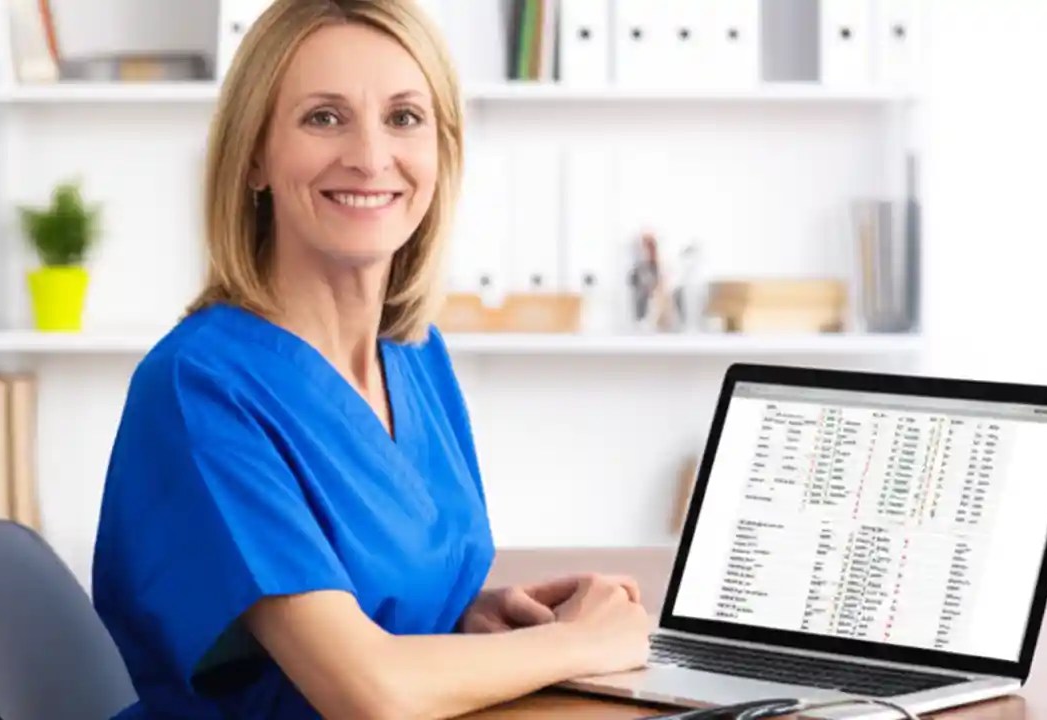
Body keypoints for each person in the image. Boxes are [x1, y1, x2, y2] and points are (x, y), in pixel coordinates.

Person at [89, 1, 651, 718]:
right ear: (254, 155)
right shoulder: (201, 387)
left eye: (404, 117)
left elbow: (353, 605)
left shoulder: (413, 352)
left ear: (442, 150)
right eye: (324, 117)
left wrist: (467, 620)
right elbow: (366, 692)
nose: (370, 156)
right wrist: (577, 643)